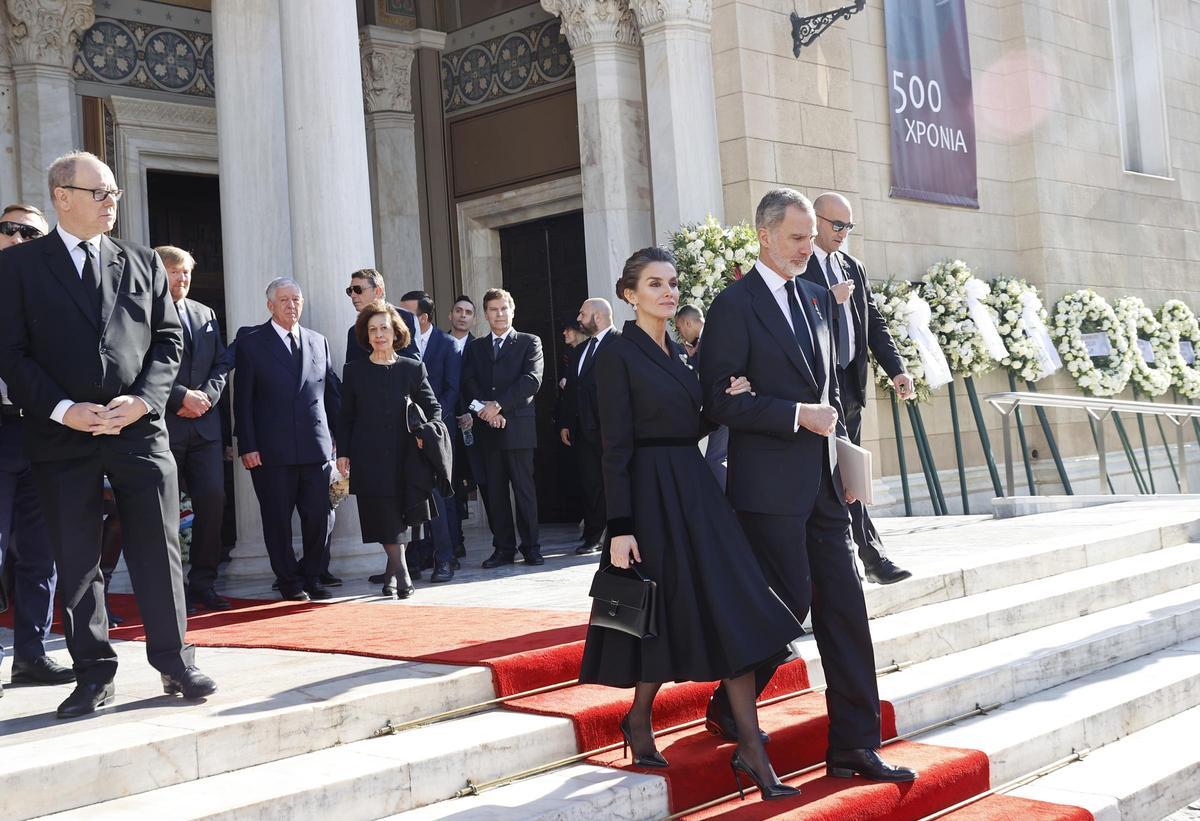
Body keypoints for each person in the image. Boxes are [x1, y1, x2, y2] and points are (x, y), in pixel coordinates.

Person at [701, 187, 917, 783]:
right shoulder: (734, 306)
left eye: (808, 237)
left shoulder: (821, 300)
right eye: (796, 237)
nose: (807, 247)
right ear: (764, 235)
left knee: (846, 610)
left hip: (825, 484)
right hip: (766, 490)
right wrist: (793, 414)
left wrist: (843, 460)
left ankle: (853, 744)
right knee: (784, 608)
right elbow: (717, 400)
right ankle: (727, 705)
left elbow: (830, 394)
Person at [579, 246, 803, 801]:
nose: (669, 291)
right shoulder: (616, 354)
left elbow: (688, 421)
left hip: (694, 489)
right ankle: (643, 719)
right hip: (650, 497)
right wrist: (621, 526)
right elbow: (614, 446)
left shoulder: (681, 352)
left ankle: (747, 747)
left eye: (673, 283)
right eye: (655, 284)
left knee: (727, 605)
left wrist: (730, 397)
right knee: (668, 611)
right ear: (630, 295)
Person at [0, 151, 216, 718]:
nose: (110, 202)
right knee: (76, 559)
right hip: (62, 435)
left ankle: (176, 662)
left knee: (158, 547)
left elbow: (170, 342)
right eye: (98, 193)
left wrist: (144, 400)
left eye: (115, 192)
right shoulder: (18, 269)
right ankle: (94, 672)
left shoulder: (142, 262)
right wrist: (62, 408)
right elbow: (11, 353)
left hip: (137, 431)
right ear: (61, 197)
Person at [802, 192, 914, 585]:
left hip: (852, 383)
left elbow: (874, 322)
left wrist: (897, 370)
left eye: (848, 226)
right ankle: (871, 558)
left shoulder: (853, 266)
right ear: (815, 221)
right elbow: (797, 325)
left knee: (850, 474)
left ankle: (861, 557)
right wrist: (829, 301)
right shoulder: (799, 267)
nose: (842, 233)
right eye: (836, 225)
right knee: (845, 475)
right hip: (818, 389)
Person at [0, 202, 74, 696]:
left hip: (44, 432)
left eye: (31, 232)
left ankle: (31, 654)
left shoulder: (54, 295)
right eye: (9, 228)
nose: (19, 237)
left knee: (40, 553)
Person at [233, 277, 341, 602]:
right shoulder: (251, 342)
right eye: (284, 300)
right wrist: (247, 445)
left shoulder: (318, 341)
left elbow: (331, 395)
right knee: (277, 520)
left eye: (297, 300)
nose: (292, 306)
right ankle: (289, 581)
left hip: (315, 445)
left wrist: (342, 441)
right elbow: (243, 400)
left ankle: (313, 574)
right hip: (270, 451)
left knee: (319, 516)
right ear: (270, 305)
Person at [337, 301, 448, 599]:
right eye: (372, 330)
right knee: (384, 515)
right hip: (369, 457)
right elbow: (346, 416)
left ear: (395, 331)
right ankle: (403, 574)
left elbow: (434, 408)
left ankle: (390, 575)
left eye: (384, 328)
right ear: (366, 335)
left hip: (408, 456)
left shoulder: (413, 368)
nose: (378, 334)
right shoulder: (354, 371)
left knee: (403, 516)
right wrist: (343, 453)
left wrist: (428, 433)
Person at [157, 245, 232, 611]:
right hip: (164, 427)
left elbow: (221, 362)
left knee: (213, 500)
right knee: (163, 509)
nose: (182, 278)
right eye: (174, 271)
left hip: (205, 427)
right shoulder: (143, 312)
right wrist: (181, 397)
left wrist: (205, 396)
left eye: (185, 271)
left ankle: (203, 582)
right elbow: (137, 367)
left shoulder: (206, 313)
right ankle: (167, 589)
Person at [460, 288, 544, 568]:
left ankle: (531, 547)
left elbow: (531, 381)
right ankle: (503, 548)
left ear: (512, 310)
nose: (499, 314)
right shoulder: (476, 348)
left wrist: (498, 405)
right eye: (494, 309)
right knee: (495, 494)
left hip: (518, 429)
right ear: (485, 314)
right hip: (488, 431)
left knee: (524, 492)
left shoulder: (529, 342)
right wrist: (485, 412)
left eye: (504, 308)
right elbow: (468, 384)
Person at [399, 290, 460, 583]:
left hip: (435, 431)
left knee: (439, 497)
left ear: (422, 317)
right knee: (410, 497)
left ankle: (444, 559)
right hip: (405, 433)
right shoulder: (399, 347)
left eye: (406, 314)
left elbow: (451, 388)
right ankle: (411, 562)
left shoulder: (446, 344)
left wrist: (433, 425)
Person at [559, 299, 619, 556]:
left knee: (615, 483)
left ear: (598, 316)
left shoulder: (620, 343)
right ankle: (592, 536)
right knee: (591, 484)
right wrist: (565, 423)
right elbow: (572, 389)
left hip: (611, 429)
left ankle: (618, 535)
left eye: (583, 314)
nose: (579, 318)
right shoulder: (581, 350)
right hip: (583, 430)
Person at [674, 303, 729, 490]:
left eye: (679, 327)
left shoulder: (712, 336)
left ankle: (727, 506)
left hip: (724, 404)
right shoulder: (706, 338)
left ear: (688, 322)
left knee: (715, 459)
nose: (680, 333)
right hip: (718, 407)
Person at [448, 295, 484, 559]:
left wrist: (472, 412)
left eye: (468, 312)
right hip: (445, 425)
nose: (462, 316)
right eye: (458, 311)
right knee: (448, 483)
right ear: (451, 315)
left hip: (474, 426)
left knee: (470, 480)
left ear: (474, 318)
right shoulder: (439, 343)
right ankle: (453, 539)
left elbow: (482, 385)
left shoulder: (480, 347)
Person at [344, 268, 418, 364]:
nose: (353, 295)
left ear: (378, 291)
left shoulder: (405, 318)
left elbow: (412, 363)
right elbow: (352, 372)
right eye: (350, 291)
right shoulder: (354, 331)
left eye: (358, 289)